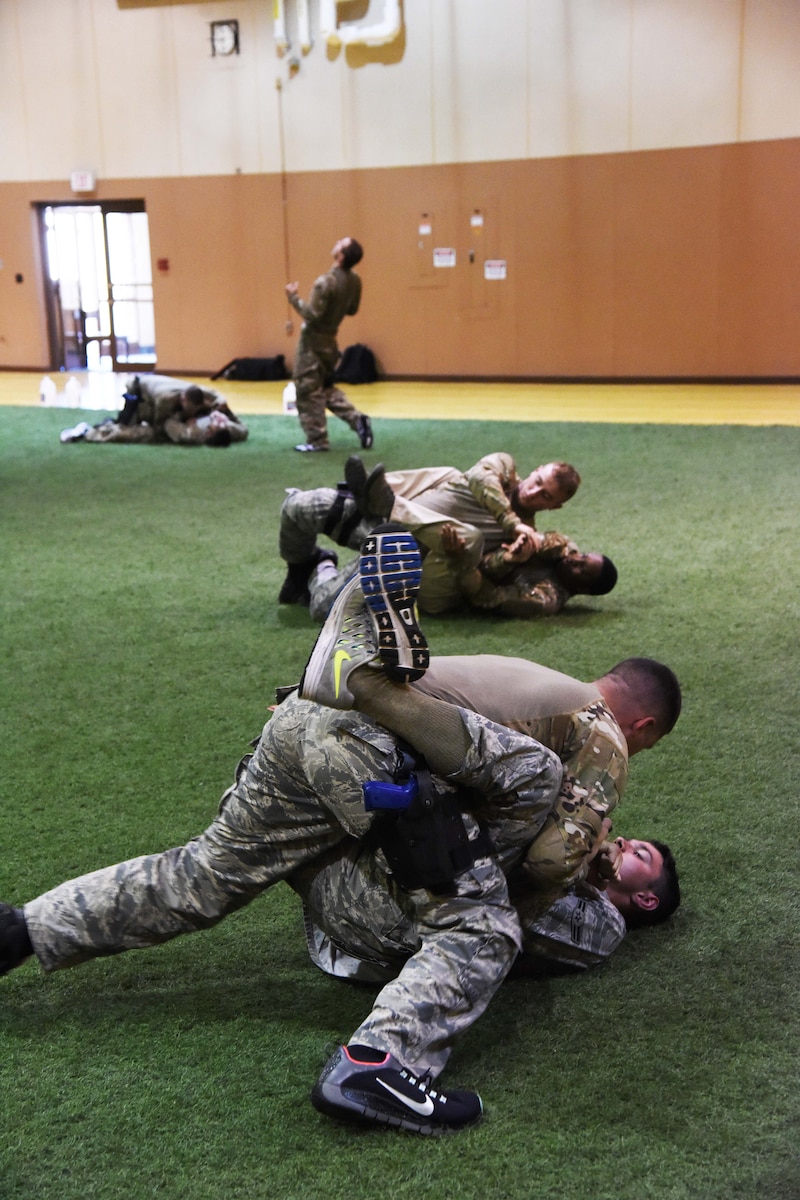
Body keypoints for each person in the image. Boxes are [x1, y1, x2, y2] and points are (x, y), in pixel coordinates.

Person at [0, 529, 680, 1135]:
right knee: (492, 904)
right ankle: (377, 1065)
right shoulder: (602, 732)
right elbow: (557, 856)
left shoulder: (536, 682)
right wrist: (540, 881)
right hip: (372, 746)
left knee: (202, 873)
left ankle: (21, 930)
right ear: (645, 728)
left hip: (301, 721)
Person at [292, 826, 679, 985]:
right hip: (389, 903)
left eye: (639, 854)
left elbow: (527, 895)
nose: (625, 842)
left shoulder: (606, 930)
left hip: (382, 920)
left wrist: (583, 855)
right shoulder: (587, 884)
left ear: (646, 899)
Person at [278, 451, 581, 612]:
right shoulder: (502, 468)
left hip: (409, 555)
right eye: (538, 481)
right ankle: (300, 569)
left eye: (545, 496)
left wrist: (509, 560)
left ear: (554, 507)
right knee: (298, 506)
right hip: (382, 520)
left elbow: (482, 571)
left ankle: (324, 562)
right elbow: (479, 476)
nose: (533, 491)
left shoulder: (523, 540)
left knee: (322, 607)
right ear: (536, 468)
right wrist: (512, 523)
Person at [285, 237, 373, 454]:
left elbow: (312, 316)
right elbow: (352, 310)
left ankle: (317, 440)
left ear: (341, 255)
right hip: (330, 342)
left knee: (307, 390)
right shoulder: (355, 281)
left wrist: (293, 298)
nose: (336, 242)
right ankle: (357, 419)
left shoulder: (326, 282)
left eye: (341, 243)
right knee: (325, 389)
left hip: (312, 344)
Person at [59, 374, 248, 447]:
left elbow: (219, 398)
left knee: (134, 431)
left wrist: (224, 412)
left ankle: (96, 430)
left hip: (171, 415)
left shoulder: (202, 400)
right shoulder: (165, 400)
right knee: (133, 428)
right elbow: (160, 425)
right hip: (140, 391)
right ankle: (94, 431)